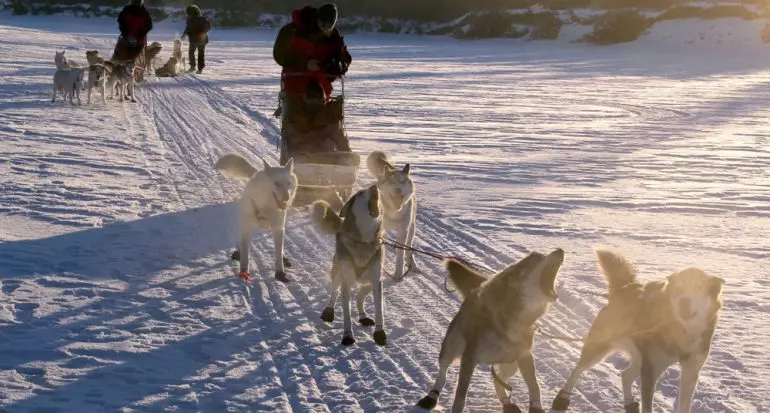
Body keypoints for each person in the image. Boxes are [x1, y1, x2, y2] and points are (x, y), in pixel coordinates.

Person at [273, 3, 352, 103]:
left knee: (329, 114)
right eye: (322, 25)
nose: (324, 30)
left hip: (321, 86)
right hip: (295, 82)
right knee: (297, 114)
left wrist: (337, 66)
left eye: (329, 27)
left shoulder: (334, 38)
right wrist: (306, 63)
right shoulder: (293, 30)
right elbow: (279, 54)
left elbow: (345, 59)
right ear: (317, 19)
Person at [181, 5, 212, 74]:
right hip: (202, 39)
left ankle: (192, 67)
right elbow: (209, 26)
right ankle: (199, 69)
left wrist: (184, 35)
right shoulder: (203, 19)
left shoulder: (189, 19)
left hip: (194, 39)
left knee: (191, 52)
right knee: (201, 53)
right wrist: (203, 33)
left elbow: (187, 28)